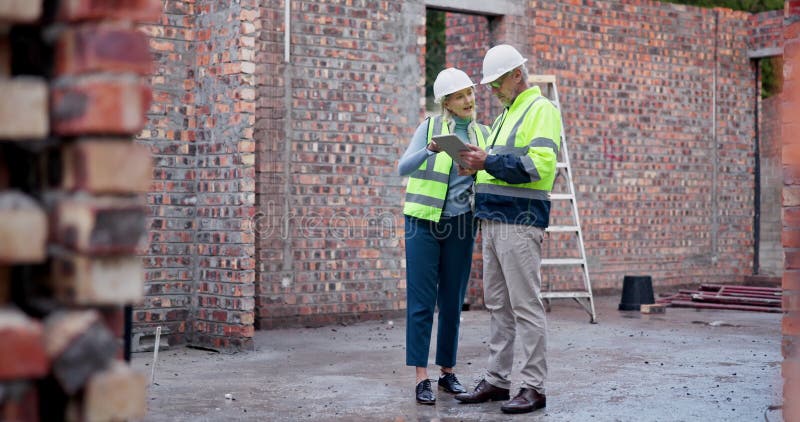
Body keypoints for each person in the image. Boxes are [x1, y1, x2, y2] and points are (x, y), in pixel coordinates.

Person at [454, 44, 562, 415]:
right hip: (495, 219)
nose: (492, 89)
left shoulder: (541, 110)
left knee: (525, 305)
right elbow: (499, 165)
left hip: (521, 220)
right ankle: (498, 381)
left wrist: (489, 161)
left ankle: (533, 387)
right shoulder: (506, 114)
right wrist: (476, 166)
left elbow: (540, 167)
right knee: (498, 304)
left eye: (497, 82)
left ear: (517, 74)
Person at [398, 67, 490, 405]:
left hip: (461, 225)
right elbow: (402, 167)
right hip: (422, 222)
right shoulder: (430, 127)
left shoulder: (484, 133)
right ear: (446, 103)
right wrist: (431, 150)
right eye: (460, 96)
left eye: (470, 93)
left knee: (452, 301)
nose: (468, 100)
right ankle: (421, 377)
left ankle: (447, 373)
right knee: (421, 302)